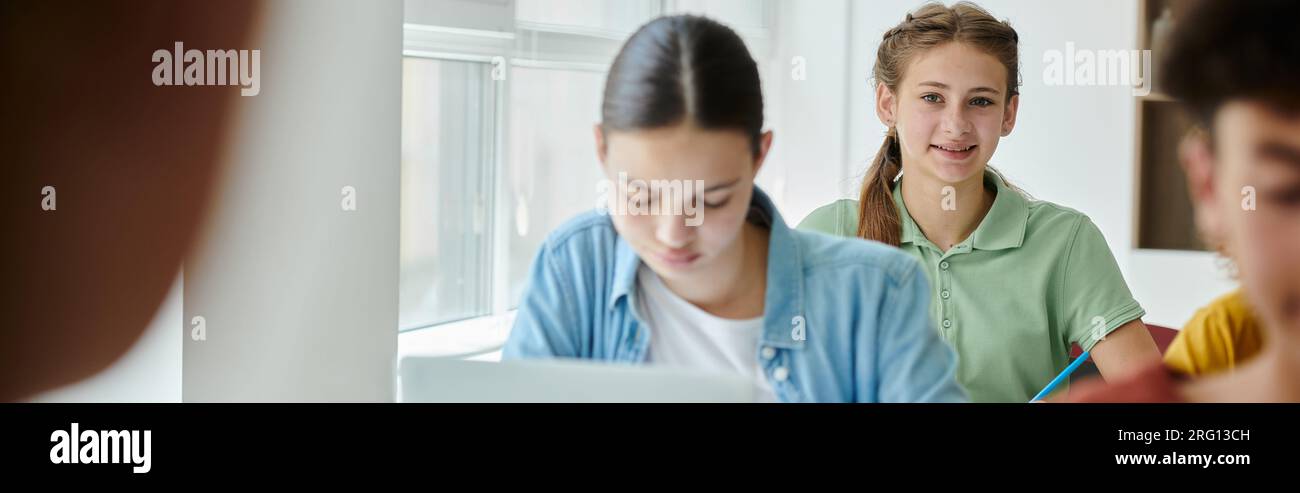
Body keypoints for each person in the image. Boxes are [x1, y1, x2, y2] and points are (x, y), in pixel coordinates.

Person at [502, 15, 965, 403]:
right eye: (641, 196)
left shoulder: (872, 293)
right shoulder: (575, 268)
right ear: (602, 150)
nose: (672, 234)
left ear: (759, 156)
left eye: (709, 199)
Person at [799, 2, 1160, 402]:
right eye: (933, 97)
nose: (956, 124)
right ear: (888, 104)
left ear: (1009, 113)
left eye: (981, 101)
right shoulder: (826, 237)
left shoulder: (1066, 243)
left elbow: (1153, 398)